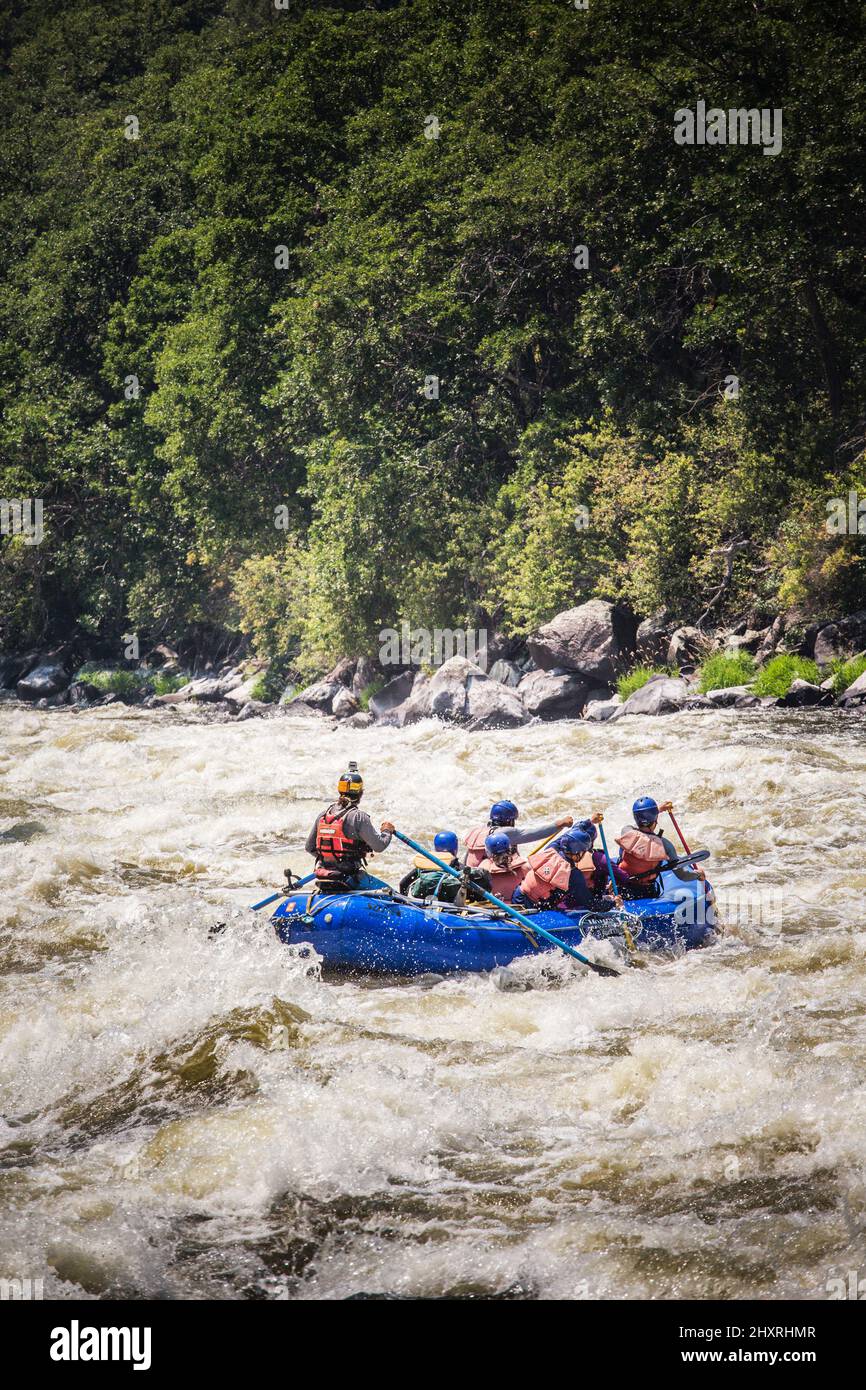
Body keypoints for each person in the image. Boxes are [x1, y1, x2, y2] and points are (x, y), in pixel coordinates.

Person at [305, 763, 394, 891]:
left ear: (339, 791)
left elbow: (309, 847)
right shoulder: (358, 817)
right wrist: (387, 831)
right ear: (360, 793)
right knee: (392, 895)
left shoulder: (323, 816)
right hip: (351, 878)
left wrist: (331, 861)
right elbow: (379, 846)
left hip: (324, 877)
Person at [515, 827, 623, 912]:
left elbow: (560, 839)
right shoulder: (573, 874)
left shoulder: (552, 849)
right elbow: (592, 905)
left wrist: (588, 822)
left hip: (517, 894)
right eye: (584, 852)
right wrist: (613, 903)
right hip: (532, 906)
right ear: (578, 853)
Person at [615, 796, 705, 896]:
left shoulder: (626, 831)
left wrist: (658, 810)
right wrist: (698, 875)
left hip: (620, 887)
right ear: (655, 819)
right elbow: (682, 876)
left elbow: (638, 828)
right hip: (646, 891)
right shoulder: (665, 845)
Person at [464, 800, 573, 868]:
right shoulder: (504, 833)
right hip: (488, 880)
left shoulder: (476, 830)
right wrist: (560, 824)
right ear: (509, 821)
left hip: (472, 878)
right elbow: (534, 834)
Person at [401, 830, 491, 905]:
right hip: (450, 909)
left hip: (423, 904)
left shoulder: (423, 866)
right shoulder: (459, 867)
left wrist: (403, 902)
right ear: (455, 849)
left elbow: (403, 884)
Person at [476, 831, 529, 903]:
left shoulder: (484, 866)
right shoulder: (525, 865)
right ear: (509, 847)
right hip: (520, 906)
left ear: (488, 851)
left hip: (495, 908)